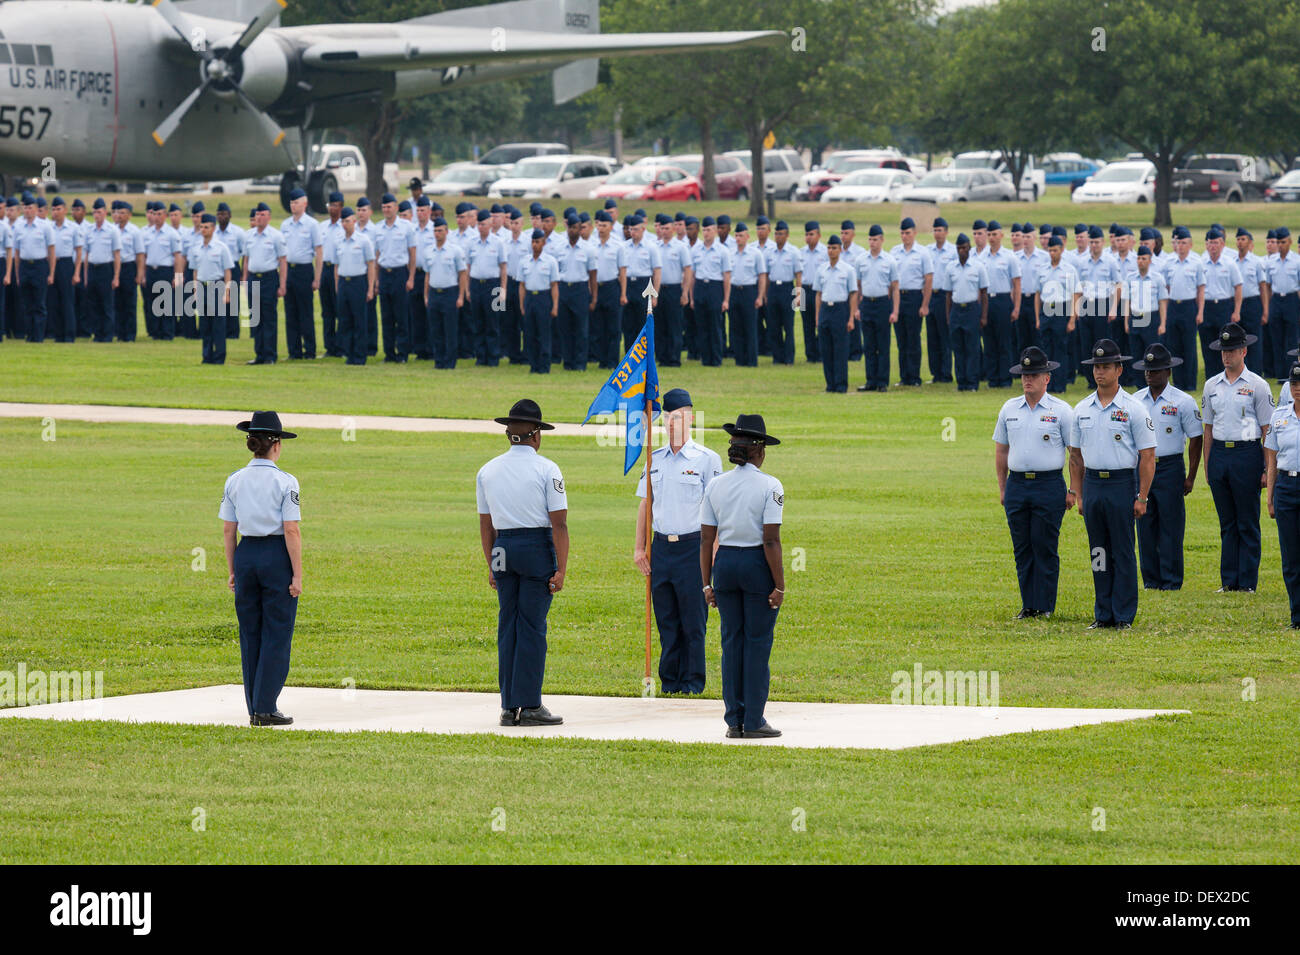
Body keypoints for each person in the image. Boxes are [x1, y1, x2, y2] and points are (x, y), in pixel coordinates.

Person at [476, 399, 569, 727]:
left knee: (508, 624)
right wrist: (561, 568)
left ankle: (507, 705)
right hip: (535, 547)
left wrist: (491, 564)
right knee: (532, 626)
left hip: (503, 549)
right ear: (536, 436)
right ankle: (529, 704)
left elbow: (486, 526)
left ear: (508, 434)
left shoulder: (487, 470)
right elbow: (559, 524)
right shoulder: (548, 469)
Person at [700, 414, 785, 739]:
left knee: (731, 642)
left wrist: (707, 583)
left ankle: (733, 720)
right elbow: (771, 540)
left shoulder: (715, 485)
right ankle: (754, 720)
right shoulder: (770, 485)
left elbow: (707, 538)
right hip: (755, 564)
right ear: (759, 450)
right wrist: (779, 585)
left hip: (724, 565)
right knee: (757, 643)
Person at [634, 389, 723, 694]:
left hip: (692, 548)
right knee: (667, 620)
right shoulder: (654, 459)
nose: (673, 424)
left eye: (679, 417)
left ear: (690, 418)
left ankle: (693, 683)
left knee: (693, 622)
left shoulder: (706, 460)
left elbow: (716, 510)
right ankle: (670, 682)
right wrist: (639, 548)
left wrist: (714, 552)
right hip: (662, 547)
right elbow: (646, 504)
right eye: (668, 418)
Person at [220, 411, 303, 727]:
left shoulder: (235, 479)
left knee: (250, 631)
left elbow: (229, 530)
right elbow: (291, 530)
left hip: (246, 554)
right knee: (277, 631)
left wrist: (232, 569)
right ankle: (266, 706)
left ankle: (254, 704)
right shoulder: (285, 481)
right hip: (274, 554)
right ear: (276, 445)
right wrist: (296, 574)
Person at [1068, 339, 1156, 629]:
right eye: (1096, 367)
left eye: (1106, 367)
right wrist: (1079, 494)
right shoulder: (1082, 409)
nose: (1100, 372)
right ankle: (1102, 611)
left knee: (1122, 549)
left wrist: (1141, 496)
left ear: (1119, 369)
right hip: (1094, 483)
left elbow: (1147, 456)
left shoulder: (1133, 408)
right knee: (1098, 552)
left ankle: (1123, 614)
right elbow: (1076, 457)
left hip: (1120, 483)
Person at [994, 346, 1075, 618]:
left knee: (1044, 545)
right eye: (1024, 374)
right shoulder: (1009, 408)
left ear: (1047, 378)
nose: (1028, 379)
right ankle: (1028, 604)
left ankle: (1045, 605)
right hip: (1017, 484)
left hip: (1048, 484)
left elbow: (1075, 454)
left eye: (1034, 374)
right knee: (1022, 547)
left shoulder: (1061, 410)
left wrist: (1074, 489)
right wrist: (1003, 487)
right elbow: (1001, 450)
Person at [1202, 323, 1275, 593]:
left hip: (1247, 453)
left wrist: (1268, 468)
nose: (1226, 356)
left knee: (1247, 520)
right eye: (1223, 351)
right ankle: (1229, 580)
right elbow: (1208, 428)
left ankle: (1247, 582)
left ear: (1243, 351)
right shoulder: (1211, 386)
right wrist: (1208, 465)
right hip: (1221, 452)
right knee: (1227, 522)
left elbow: (1268, 430)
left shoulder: (1258, 385)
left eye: (1232, 350)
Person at [1132, 344, 1203, 590]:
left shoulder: (1183, 401)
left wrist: (1191, 476)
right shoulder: (1135, 401)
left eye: (1157, 370)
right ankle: (1151, 580)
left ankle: (1172, 580)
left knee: (1171, 526)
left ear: (1168, 372)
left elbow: (1196, 439)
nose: (1151, 374)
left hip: (1170, 467)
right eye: (1148, 370)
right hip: (1142, 466)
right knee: (1145, 524)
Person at [1265, 363, 1300, 628]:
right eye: (1294, 384)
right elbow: (1272, 459)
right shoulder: (1279, 417)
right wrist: (1271, 495)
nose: (1298, 389)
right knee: (1290, 557)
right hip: (1287, 488)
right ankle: (1296, 615)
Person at [855, 224, 900, 392]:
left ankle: (882, 381)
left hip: (882, 303)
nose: (872, 243)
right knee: (868, 345)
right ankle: (870, 381)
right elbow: (858, 286)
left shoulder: (889, 261)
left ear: (882, 240)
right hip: (866, 303)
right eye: (870, 239)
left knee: (882, 345)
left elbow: (895, 288)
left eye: (875, 239)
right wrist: (857, 308)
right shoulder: (861, 260)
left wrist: (895, 311)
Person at [891, 217, 933, 387]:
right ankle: (904, 376)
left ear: (914, 233)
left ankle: (914, 376)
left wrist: (924, 304)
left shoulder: (922, 253)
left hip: (915, 297)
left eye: (907, 233)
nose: (904, 236)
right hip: (898, 297)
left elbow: (928, 279)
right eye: (902, 233)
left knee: (913, 338)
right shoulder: (894, 252)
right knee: (901, 339)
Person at [813, 235, 859, 393]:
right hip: (826, 308)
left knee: (840, 349)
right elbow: (818, 294)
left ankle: (841, 385)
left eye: (834, 248)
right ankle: (830, 384)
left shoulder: (848, 270)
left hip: (840, 309)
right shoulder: (822, 269)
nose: (831, 251)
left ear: (840, 250)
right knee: (826, 350)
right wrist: (817, 317)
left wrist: (851, 317)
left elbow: (853, 294)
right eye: (829, 248)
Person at [1035, 235, 1080, 394]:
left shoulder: (1069, 270)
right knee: (1046, 350)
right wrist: (1037, 318)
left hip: (1062, 309)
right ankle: (1047, 385)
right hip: (1046, 309)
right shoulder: (1042, 269)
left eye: (1055, 250)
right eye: (1050, 250)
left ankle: (1060, 385)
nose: (1052, 253)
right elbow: (1037, 294)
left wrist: (1072, 319)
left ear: (1061, 250)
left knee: (1060, 348)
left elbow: (1076, 294)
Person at [333, 206, 377, 367]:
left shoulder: (363, 240)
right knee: (345, 320)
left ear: (354, 221)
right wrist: (337, 286)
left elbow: (371, 264)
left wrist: (370, 288)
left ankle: (360, 355)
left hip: (359, 282)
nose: (345, 224)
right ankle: (349, 353)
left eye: (348, 221)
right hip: (344, 282)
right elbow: (336, 266)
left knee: (360, 320)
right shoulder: (339, 241)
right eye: (343, 221)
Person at [191, 213, 235, 365]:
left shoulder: (221, 248)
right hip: (202, 287)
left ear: (213, 228)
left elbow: (228, 272)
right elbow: (195, 271)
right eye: (201, 227)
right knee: (205, 325)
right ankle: (207, 355)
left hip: (217, 287)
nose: (203, 229)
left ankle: (219, 356)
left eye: (206, 227)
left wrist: (227, 293)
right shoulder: (196, 248)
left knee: (218, 325)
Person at [947, 233, 988, 392]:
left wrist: (983, 316)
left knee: (972, 348)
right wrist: (948, 316)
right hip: (957, 309)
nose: (961, 251)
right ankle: (961, 382)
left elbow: (984, 293)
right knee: (958, 348)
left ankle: (972, 382)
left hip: (972, 309)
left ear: (969, 248)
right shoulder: (951, 267)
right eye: (958, 248)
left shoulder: (978, 267)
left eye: (963, 248)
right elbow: (948, 294)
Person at [517, 228, 559, 373]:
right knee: (530, 334)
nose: (535, 245)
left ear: (544, 243)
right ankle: (533, 365)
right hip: (530, 298)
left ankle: (544, 366)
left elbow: (554, 285)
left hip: (544, 297)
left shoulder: (550, 261)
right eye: (533, 242)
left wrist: (555, 306)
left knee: (544, 334)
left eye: (538, 242)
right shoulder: (524, 261)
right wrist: (522, 304)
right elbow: (521, 285)